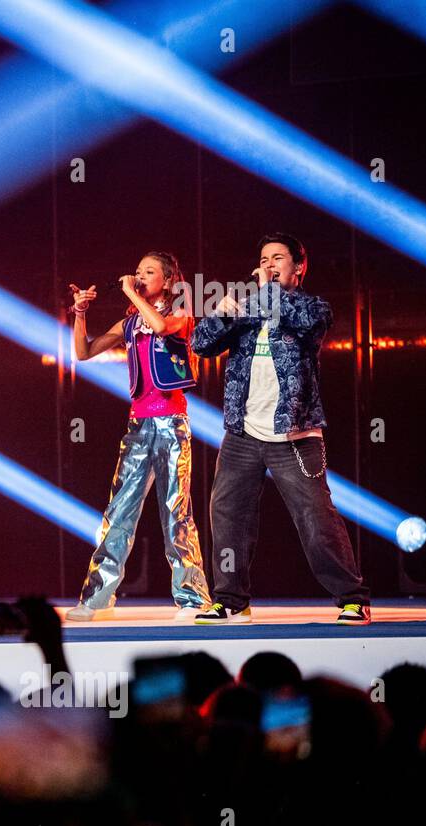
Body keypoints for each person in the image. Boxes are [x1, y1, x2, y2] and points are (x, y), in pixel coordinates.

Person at [191, 233, 370, 625]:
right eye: (263, 258)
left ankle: (352, 598)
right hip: (243, 433)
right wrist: (223, 312)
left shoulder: (312, 307)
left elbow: (306, 323)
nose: (268, 265)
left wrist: (263, 294)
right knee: (227, 512)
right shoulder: (246, 308)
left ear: (299, 267)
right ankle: (230, 599)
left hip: (294, 434)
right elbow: (200, 344)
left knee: (315, 515)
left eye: (277, 258)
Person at [65, 252, 211, 621]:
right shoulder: (131, 323)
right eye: (138, 271)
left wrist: (132, 294)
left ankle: (192, 598)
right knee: (119, 511)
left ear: (168, 280)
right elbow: (83, 353)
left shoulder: (180, 313)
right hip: (138, 425)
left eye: (149, 272)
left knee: (175, 510)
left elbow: (161, 328)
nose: (139, 276)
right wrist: (80, 314)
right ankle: (97, 598)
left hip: (172, 423)